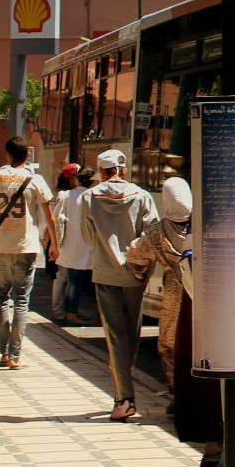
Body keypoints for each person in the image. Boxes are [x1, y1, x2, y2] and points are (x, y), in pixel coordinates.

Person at [82, 148, 159, 421]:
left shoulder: (89, 197)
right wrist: (144, 267)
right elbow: (151, 235)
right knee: (132, 333)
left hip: (104, 273)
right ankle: (124, 393)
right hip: (135, 274)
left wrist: (105, 252)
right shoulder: (142, 196)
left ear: (102, 171)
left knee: (115, 336)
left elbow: (88, 236)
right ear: (122, 170)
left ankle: (123, 397)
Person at [0, 136, 57, 371]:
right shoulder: (35, 179)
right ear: (27, 156)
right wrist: (55, 244)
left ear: (8, 155)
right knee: (21, 300)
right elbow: (49, 215)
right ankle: (15, 354)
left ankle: (4, 353)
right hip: (26, 246)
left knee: (0, 297)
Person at [125, 177, 192, 394]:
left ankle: (176, 392)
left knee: (170, 342)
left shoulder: (156, 232)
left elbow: (136, 257)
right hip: (203, 292)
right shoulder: (204, 225)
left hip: (173, 291)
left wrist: (141, 275)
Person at [57, 167, 97, 325]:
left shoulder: (66, 195)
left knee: (71, 279)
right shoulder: (91, 196)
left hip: (67, 243)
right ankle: (71, 314)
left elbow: (56, 217)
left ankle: (69, 311)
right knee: (76, 281)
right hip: (84, 244)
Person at [48, 163, 80, 322]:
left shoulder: (66, 193)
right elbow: (54, 219)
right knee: (61, 277)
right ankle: (58, 310)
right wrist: (53, 243)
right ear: (72, 178)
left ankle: (63, 310)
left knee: (64, 278)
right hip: (62, 243)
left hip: (63, 242)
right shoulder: (65, 195)